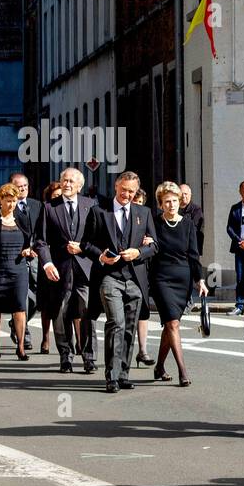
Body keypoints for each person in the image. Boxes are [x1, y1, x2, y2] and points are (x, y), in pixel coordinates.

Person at [81, 171, 158, 392]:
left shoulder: (144, 212)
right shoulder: (98, 211)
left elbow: (154, 246)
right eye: (124, 190)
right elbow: (85, 243)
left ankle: (123, 374)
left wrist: (138, 252)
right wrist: (100, 256)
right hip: (109, 277)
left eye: (131, 192)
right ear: (116, 186)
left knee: (130, 327)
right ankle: (112, 376)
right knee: (116, 323)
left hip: (135, 279)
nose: (127, 194)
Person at [38, 167, 97, 374]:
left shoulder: (91, 205)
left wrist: (83, 248)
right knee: (60, 312)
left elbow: (98, 236)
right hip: (59, 269)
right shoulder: (49, 208)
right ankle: (65, 356)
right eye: (64, 180)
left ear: (79, 186)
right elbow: (41, 241)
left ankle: (89, 357)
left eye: (72, 181)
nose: (67, 184)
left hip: (85, 269)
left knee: (87, 311)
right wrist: (47, 264)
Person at [149, 181, 208, 386]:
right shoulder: (154, 223)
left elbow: (193, 255)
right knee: (173, 323)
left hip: (183, 279)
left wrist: (200, 280)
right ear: (161, 204)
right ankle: (183, 371)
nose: (172, 205)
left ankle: (159, 366)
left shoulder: (188, 224)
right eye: (167, 201)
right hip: (161, 278)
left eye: (174, 200)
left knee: (170, 324)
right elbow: (149, 250)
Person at [0, 182, 36, 360]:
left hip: (18, 269)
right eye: (8, 201)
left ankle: (20, 347)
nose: (11, 204)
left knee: (20, 307)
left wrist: (28, 250)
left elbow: (30, 241)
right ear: (0, 200)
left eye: (14, 201)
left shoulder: (22, 218)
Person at [9, 173, 43, 351]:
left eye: (25, 186)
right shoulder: (7, 206)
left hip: (36, 255)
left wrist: (37, 248)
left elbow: (42, 231)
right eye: (19, 186)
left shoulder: (37, 205)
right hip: (17, 257)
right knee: (22, 295)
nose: (22, 189)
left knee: (37, 297)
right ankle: (24, 333)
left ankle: (15, 322)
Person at [37, 180, 64, 354]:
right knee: (47, 304)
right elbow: (40, 237)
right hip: (48, 261)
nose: (59, 198)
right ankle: (46, 337)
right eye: (55, 196)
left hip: (64, 260)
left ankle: (77, 340)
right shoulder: (46, 210)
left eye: (61, 195)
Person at [131, 188, 155, 366]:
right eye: (134, 202)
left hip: (141, 267)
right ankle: (123, 352)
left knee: (143, 310)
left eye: (139, 202)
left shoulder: (145, 216)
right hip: (123, 267)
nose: (137, 205)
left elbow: (154, 243)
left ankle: (143, 350)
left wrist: (150, 241)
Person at [226, 181, 244, 315]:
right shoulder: (235, 208)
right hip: (239, 247)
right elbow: (229, 228)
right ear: (240, 192)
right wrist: (240, 241)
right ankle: (239, 305)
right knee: (240, 278)